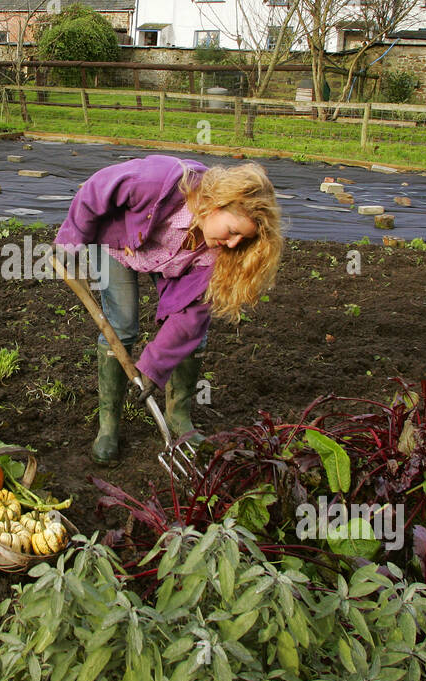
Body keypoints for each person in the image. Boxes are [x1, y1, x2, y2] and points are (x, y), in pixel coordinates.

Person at [53, 154, 283, 464]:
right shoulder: (159, 181)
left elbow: (190, 316)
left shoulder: (219, 254)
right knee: (121, 326)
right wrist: (70, 242)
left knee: (194, 335)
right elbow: (97, 188)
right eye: (232, 231)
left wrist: (152, 368)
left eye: (242, 239)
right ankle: (108, 425)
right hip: (118, 246)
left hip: (171, 261)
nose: (232, 244)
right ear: (216, 204)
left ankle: (179, 420)